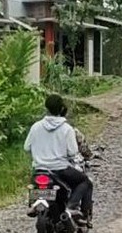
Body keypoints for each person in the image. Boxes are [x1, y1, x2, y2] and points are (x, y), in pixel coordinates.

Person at [24, 94, 93, 226]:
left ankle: (35, 202)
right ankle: (72, 207)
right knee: (85, 182)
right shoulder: (66, 129)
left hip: (39, 169)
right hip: (60, 169)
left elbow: (27, 147)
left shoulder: (35, 127)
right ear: (61, 109)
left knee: (34, 183)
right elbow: (73, 152)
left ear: (46, 107)